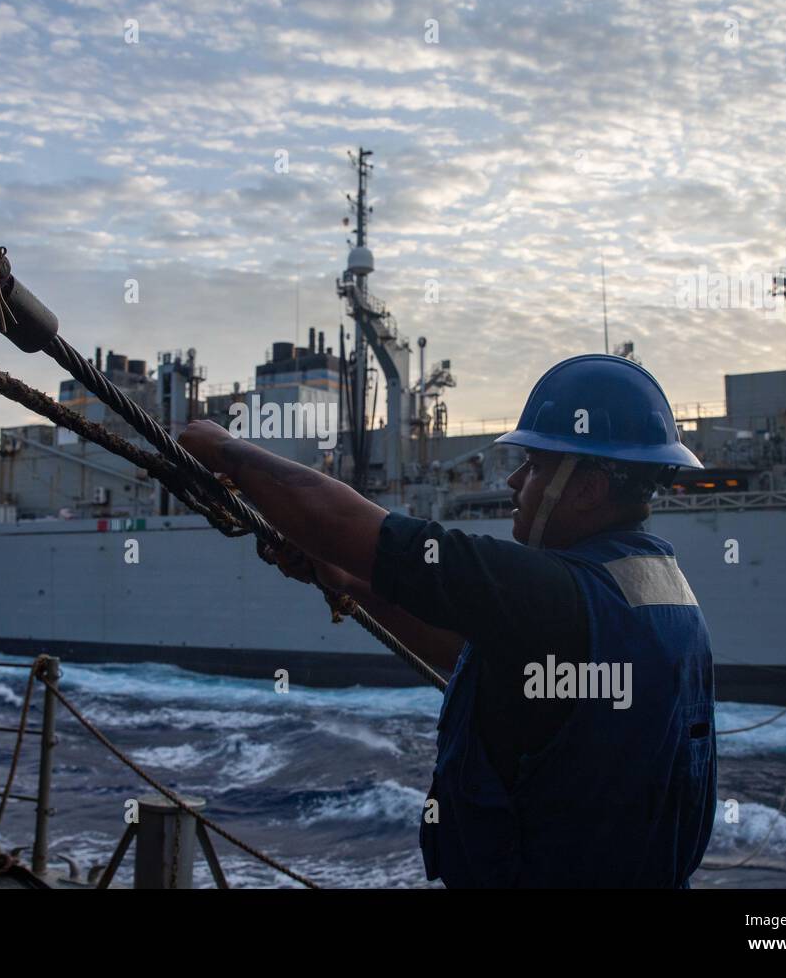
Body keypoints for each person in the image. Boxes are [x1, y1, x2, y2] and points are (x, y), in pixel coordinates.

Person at [180, 353, 717, 888]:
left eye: (533, 464)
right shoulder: (657, 590)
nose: (513, 481)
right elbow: (487, 661)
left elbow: (363, 531)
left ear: (587, 488)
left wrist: (227, 449)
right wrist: (344, 582)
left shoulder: (549, 590)